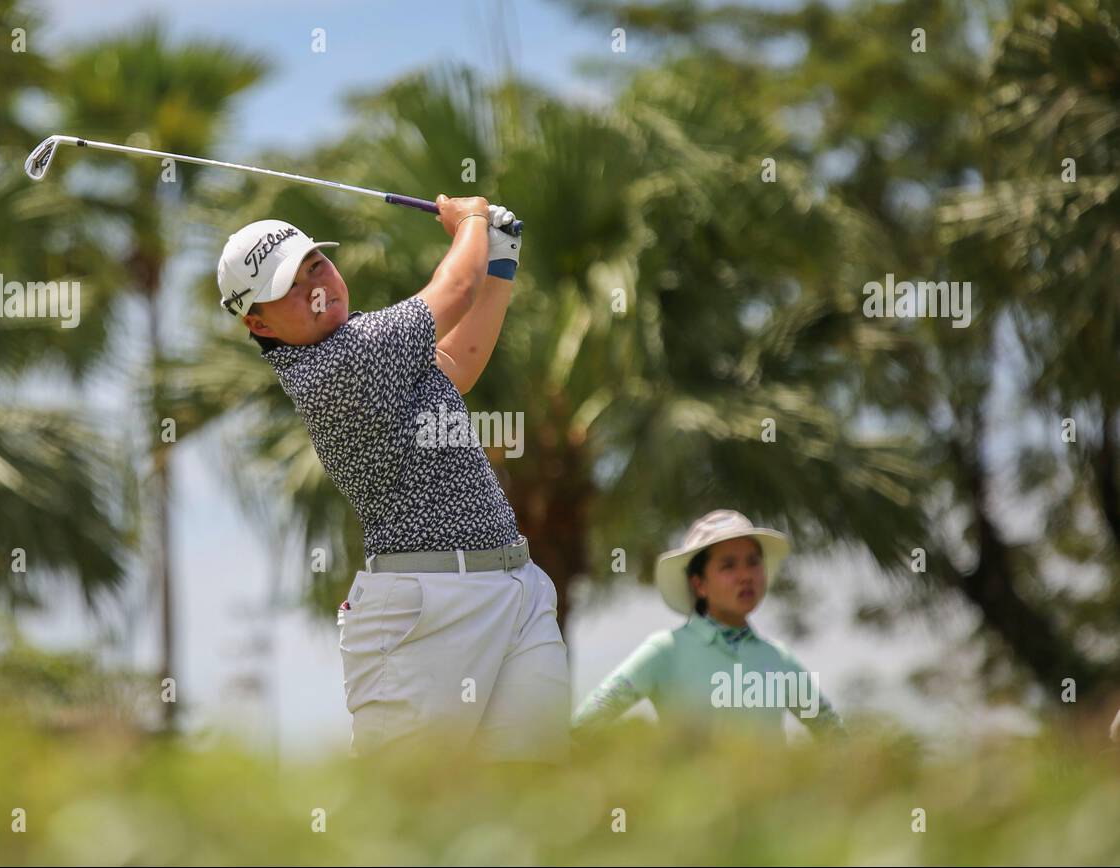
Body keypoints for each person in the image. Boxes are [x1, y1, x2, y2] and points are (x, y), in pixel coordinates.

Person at [215, 196, 570, 763]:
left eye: (316, 265)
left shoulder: (362, 342)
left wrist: (499, 261)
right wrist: (473, 220)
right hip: (422, 616)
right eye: (289, 286)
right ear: (257, 323)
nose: (316, 285)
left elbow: (456, 366)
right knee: (406, 822)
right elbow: (453, 291)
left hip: (516, 590)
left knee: (535, 803)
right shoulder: (338, 364)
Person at [572, 509, 844, 744]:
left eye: (753, 562)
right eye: (728, 566)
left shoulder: (778, 658)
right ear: (699, 584)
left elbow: (835, 736)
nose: (745, 576)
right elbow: (587, 723)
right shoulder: (666, 651)